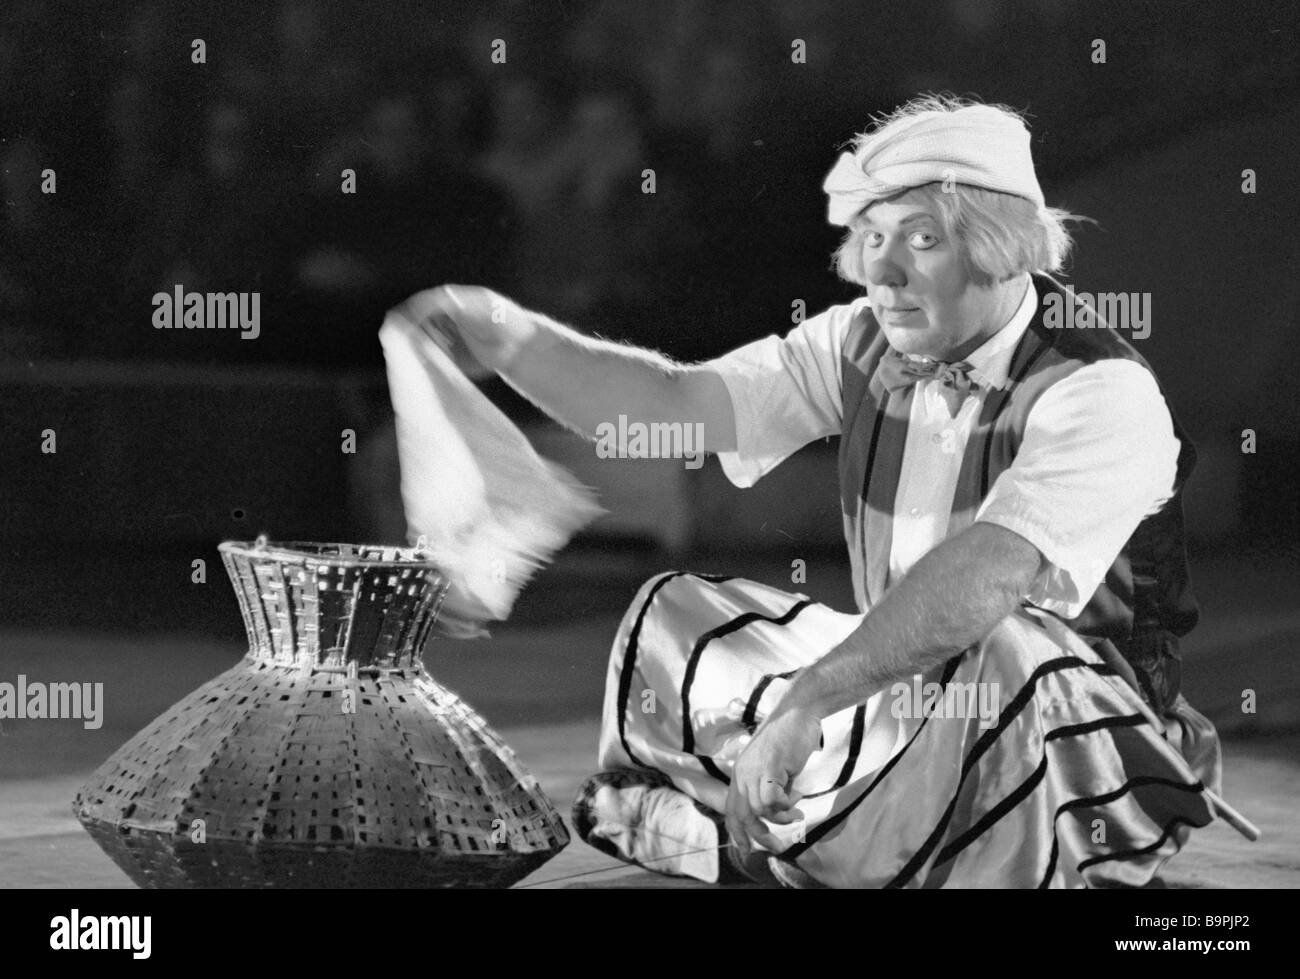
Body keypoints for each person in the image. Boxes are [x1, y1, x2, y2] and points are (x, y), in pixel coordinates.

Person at [402, 95, 1226, 888]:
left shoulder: (1098, 389)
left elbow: (990, 575)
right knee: (675, 611)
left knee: (1001, 647)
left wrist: (810, 701)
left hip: (1080, 737)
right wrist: (507, 337)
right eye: (871, 237)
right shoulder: (859, 340)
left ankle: (766, 844)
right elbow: (676, 408)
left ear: (1003, 244)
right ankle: (845, 830)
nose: (882, 270)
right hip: (905, 692)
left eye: (921, 238)